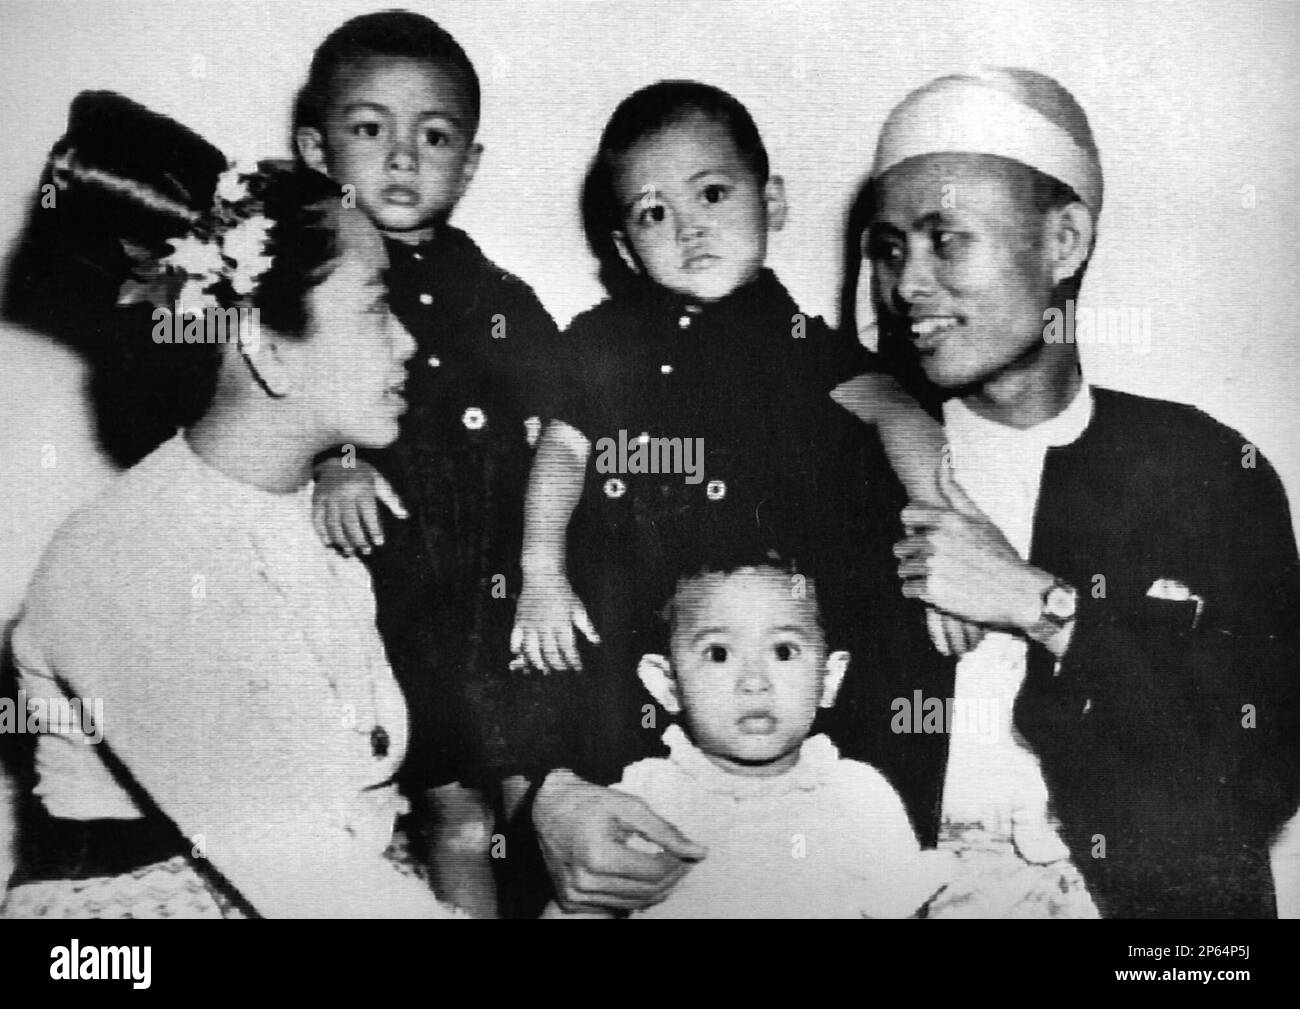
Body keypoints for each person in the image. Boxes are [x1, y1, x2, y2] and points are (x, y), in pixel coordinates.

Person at [850, 68, 1300, 917]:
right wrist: (549, 794)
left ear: (1065, 241)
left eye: (948, 240)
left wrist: (1043, 607)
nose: (907, 283)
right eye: (890, 247)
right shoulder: (849, 459)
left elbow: (1263, 770)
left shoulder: (1203, 469)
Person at [0, 92, 459, 919]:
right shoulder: (123, 555)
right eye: (377, 305)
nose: (409, 342)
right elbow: (309, 881)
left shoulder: (325, 507)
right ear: (266, 348)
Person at [508, 80, 948, 913]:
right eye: (653, 212)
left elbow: (898, 412)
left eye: (712, 193)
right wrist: (539, 570)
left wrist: (943, 516)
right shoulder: (601, 342)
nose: (690, 226)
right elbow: (561, 453)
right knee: (634, 836)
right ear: (625, 246)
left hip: (769, 647)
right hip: (638, 638)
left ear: (771, 200)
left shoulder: (801, 342)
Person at [293, 11, 561, 917]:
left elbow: (570, 416)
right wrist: (332, 460)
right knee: (452, 809)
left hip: (501, 593)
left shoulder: (499, 296)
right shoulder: (307, 294)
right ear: (313, 146)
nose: (403, 159)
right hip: (392, 603)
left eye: (434, 136)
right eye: (370, 131)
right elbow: (272, 402)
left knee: (533, 793)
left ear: (471, 164)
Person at [544, 550, 953, 919]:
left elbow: (905, 909)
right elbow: (582, 902)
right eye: (719, 653)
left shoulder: (861, 795)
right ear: (666, 683)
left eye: (784, 652)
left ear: (829, 678)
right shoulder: (645, 796)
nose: (755, 681)